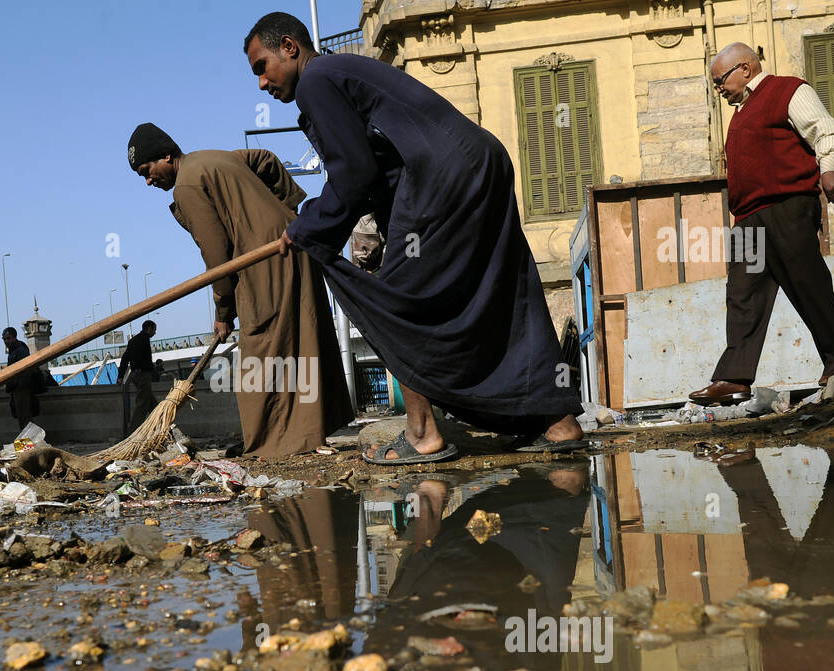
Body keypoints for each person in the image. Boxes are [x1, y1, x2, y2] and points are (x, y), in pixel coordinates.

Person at [243, 13, 584, 463]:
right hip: (480, 161)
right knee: (507, 290)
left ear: (289, 46)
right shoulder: (339, 72)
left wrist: (306, 227)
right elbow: (374, 174)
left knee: (394, 301)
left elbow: (354, 174)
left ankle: (422, 432)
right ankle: (558, 422)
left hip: (442, 178)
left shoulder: (317, 80)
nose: (262, 84)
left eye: (261, 67)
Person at [128, 121, 353, 457]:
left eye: (148, 170)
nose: (148, 180)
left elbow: (216, 254)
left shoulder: (186, 186)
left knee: (262, 353)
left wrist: (223, 312)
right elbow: (266, 160)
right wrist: (291, 211)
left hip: (265, 263)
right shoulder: (215, 158)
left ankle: (275, 442)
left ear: (166, 155)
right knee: (301, 341)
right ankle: (307, 434)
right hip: (292, 246)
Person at [688, 43, 834, 406]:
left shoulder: (788, 90)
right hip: (747, 218)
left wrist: (829, 168)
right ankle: (734, 378)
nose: (717, 88)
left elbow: (823, 128)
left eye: (720, 79)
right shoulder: (739, 115)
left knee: (807, 284)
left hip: (787, 206)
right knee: (742, 296)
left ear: (745, 68)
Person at [118, 320, 158, 433]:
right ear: (149, 328)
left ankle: (163, 425)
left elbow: (125, 358)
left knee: (152, 404)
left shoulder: (133, 340)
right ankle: (133, 432)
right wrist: (141, 368)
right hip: (142, 375)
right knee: (142, 403)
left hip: (137, 374)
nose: (155, 333)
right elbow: (140, 357)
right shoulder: (144, 339)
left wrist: (120, 375)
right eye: (154, 330)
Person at [2, 326, 39, 429]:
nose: (6, 341)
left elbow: (26, 371)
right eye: (4, 339)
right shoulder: (15, 350)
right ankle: (27, 443)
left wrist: (18, 384)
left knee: (25, 416)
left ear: (14, 338)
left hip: (22, 388)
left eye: (8, 338)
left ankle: (28, 443)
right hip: (18, 388)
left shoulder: (20, 350)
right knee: (21, 416)